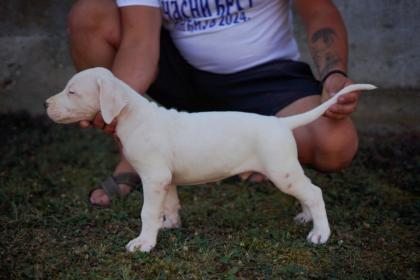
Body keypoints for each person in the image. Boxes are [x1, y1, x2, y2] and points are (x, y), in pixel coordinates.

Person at [68, 0, 362, 207]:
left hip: (266, 78)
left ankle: (251, 147)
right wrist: (113, 105)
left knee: (335, 145)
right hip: (184, 76)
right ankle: (135, 156)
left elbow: (319, 11)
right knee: (91, 14)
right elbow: (139, 44)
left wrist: (334, 72)